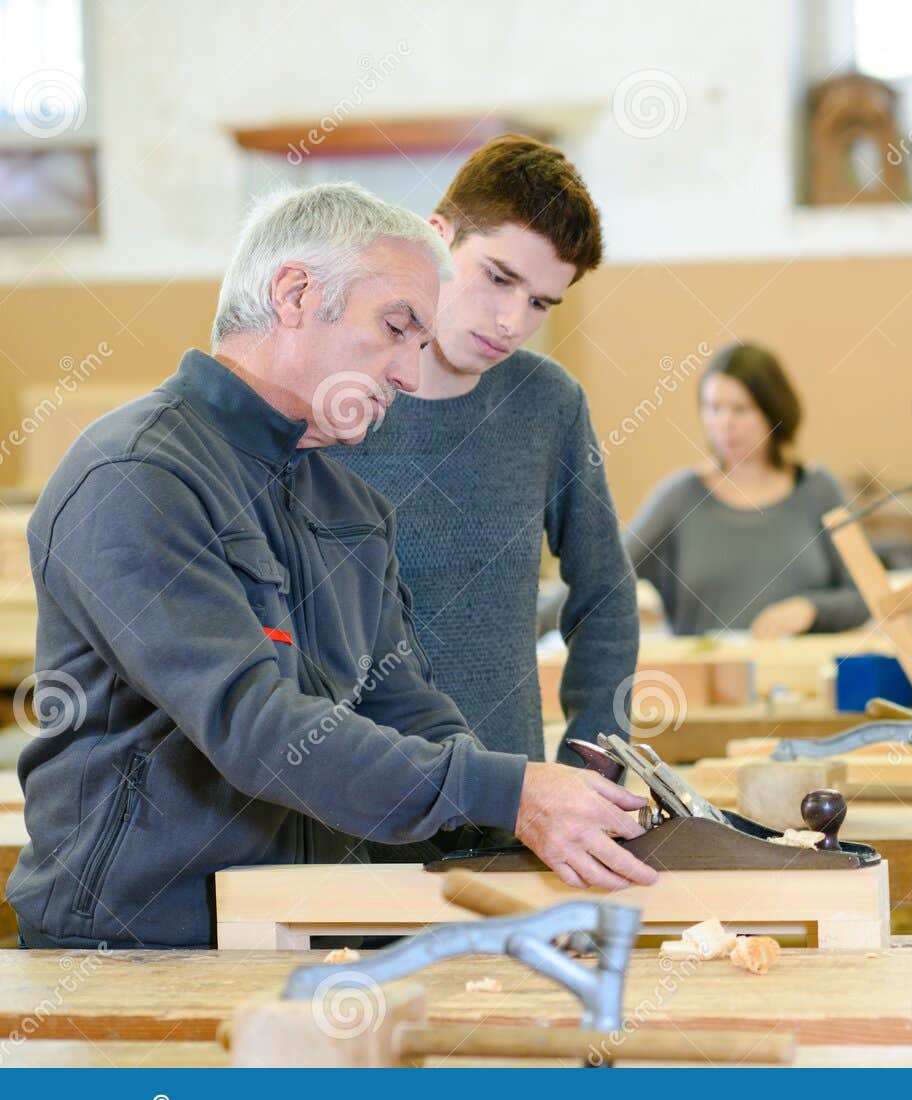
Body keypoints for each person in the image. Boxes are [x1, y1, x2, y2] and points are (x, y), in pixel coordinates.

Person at [7, 184, 655, 950]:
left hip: (302, 923)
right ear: (294, 295)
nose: (410, 375)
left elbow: (403, 704)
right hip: (141, 942)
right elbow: (259, 731)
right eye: (395, 328)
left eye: (419, 342)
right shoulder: (136, 476)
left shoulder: (347, 502)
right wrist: (507, 792)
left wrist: (517, 832)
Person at [335, 135, 635, 779]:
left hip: (508, 810)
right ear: (436, 239)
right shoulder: (335, 402)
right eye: (498, 278)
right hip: (346, 810)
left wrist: (594, 770)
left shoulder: (548, 404)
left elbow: (606, 593)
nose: (510, 321)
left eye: (539, 303)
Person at [627, 342, 868, 638]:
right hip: (706, 679)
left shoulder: (819, 491)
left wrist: (811, 609)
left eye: (741, 409)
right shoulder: (678, 498)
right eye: (714, 408)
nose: (725, 424)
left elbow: (866, 597)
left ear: (773, 411)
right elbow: (601, 577)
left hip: (800, 677)